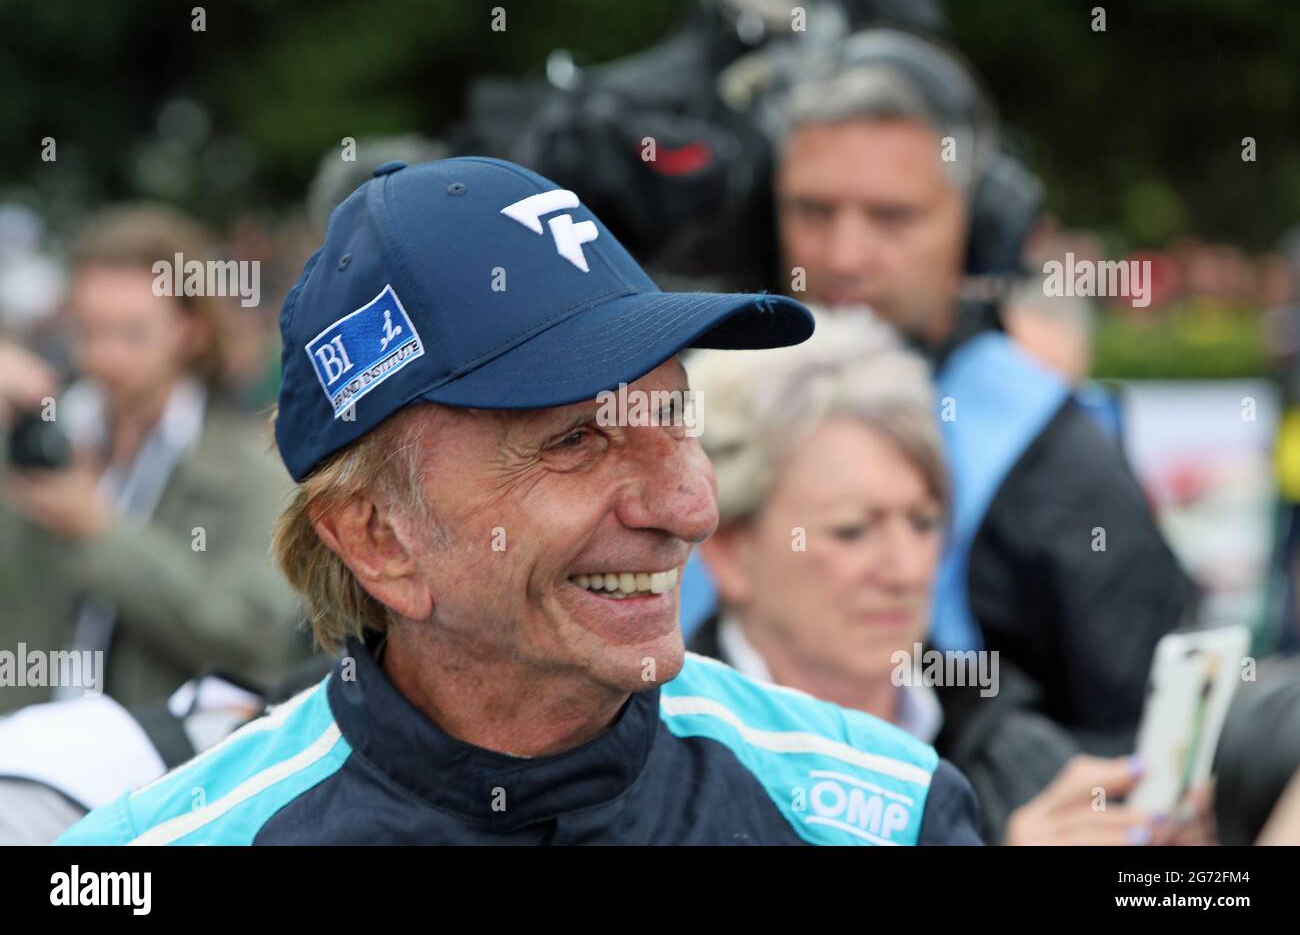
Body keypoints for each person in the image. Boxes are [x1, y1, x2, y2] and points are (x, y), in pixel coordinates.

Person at [58, 156, 981, 845]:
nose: (689, 504)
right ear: (378, 538)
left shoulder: (886, 816)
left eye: (674, 414)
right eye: (576, 440)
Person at [758, 29, 1195, 749]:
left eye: (892, 217)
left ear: (981, 229)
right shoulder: (706, 397)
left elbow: (1146, 751)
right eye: (811, 211)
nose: (843, 255)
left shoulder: (1056, 458)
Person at [685, 305, 1185, 844]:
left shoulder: (1021, 758)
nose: (907, 568)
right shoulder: (658, 765)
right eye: (853, 530)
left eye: (924, 523)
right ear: (730, 552)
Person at [0, 205, 305, 713]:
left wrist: (99, 530)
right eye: (89, 331)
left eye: (132, 333)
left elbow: (254, 634)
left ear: (192, 331)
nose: (104, 356)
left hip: (166, 775)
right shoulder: (39, 434)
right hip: (23, 758)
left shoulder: (252, 471)